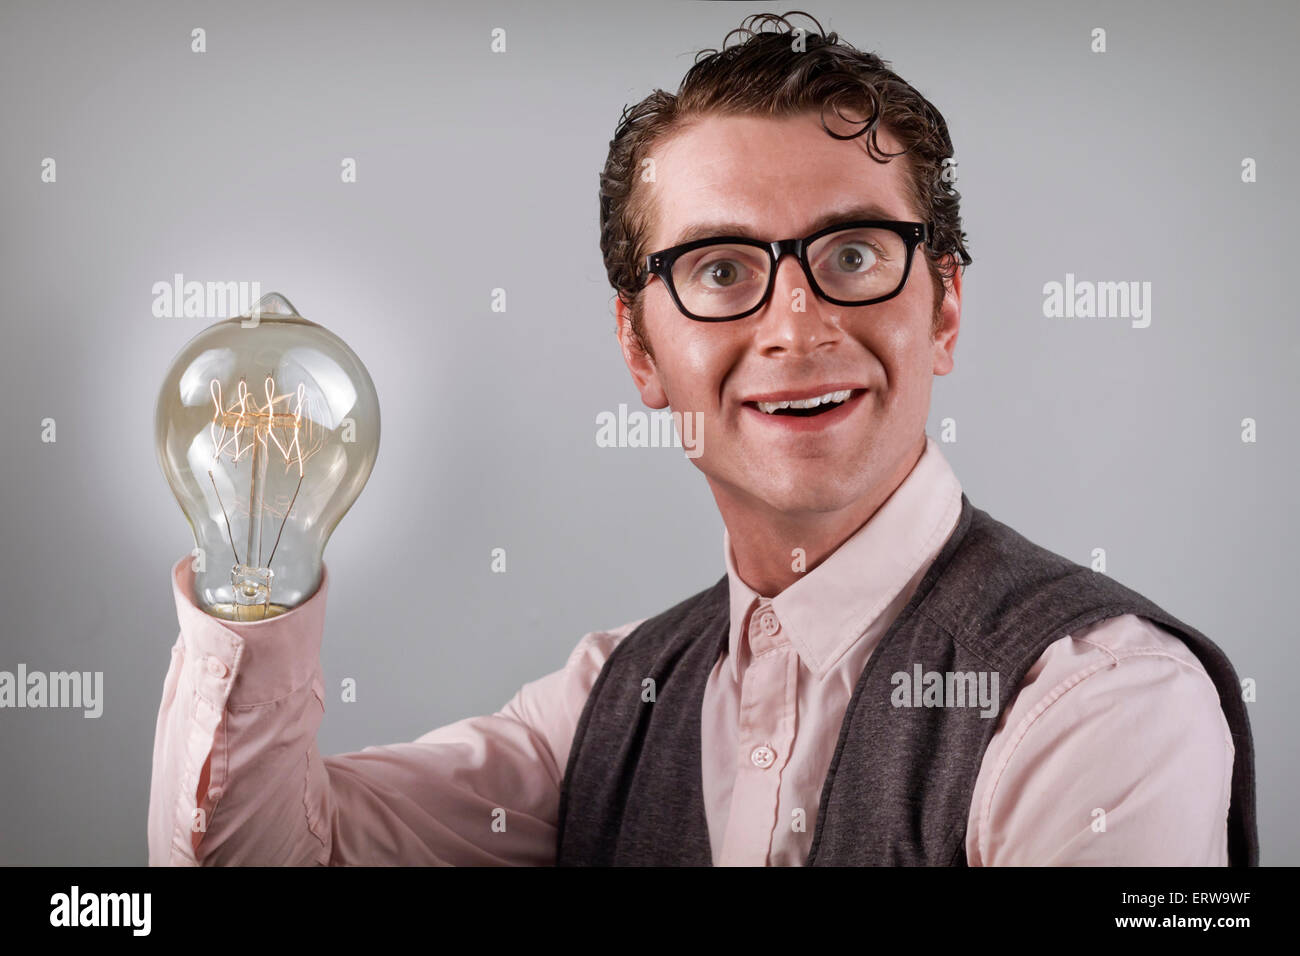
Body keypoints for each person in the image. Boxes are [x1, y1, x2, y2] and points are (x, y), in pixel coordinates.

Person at [148, 11, 1257, 866]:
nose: (795, 324)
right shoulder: (606, 700)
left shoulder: (1102, 697)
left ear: (945, 307)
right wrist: (259, 566)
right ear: (640, 350)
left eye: (855, 253)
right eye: (720, 269)